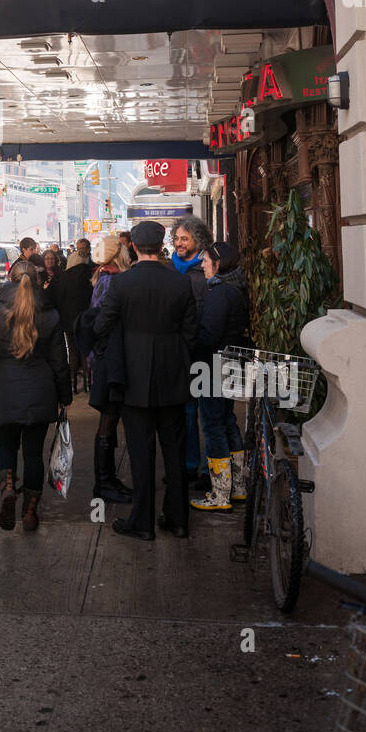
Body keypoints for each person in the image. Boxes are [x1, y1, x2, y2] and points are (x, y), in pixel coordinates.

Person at [94, 221, 196, 541]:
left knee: (141, 452)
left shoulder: (121, 285)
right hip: (173, 378)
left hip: (133, 379)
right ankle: (178, 519)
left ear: (134, 247)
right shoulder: (180, 283)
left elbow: (101, 326)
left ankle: (142, 521)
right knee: (175, 452)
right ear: (162, 243)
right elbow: (192, 334)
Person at [0, 258, 71, 533]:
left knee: (6, 447)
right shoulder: (50, 314)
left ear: (10, 279)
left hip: (7, 389)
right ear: (37, 282)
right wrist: (65, 397)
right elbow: (60, 362)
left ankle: (7, 488)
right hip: (41, 390)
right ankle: (29, 513)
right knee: (33, 455)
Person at [190, 241, 251, 513]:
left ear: (218, 264)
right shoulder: (236, 289)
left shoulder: (218, 294)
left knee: (214, 427)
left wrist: (188, 339)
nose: (201, 264)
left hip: (211, 367)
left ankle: (219, 493)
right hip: (230, 366)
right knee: (228, 422)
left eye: (205, 260)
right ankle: (237, 488)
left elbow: (208, 336)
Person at [75, 237, 133, 504]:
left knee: (109, 419)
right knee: (108, 419)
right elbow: (102, 321)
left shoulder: (103, 277)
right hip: (109, 357)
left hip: (104, 357)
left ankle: (107, 479)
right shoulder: (111, 280)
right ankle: (104, 482)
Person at [171, 215, 215, 489]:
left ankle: (211, 470)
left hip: (204, 353)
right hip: (183, 355)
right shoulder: (174, 269)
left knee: (210, 416)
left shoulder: (206, 270)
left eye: (184, 239)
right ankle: (188, 466)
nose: (179, 243)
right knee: (186, 414)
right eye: (176, 238)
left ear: (197, 240)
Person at [51, 244, 94, 392]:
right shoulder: (90, 275)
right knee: (85, 351)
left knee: (73, 352)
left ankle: (73, 383)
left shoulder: (63, 277)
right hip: (86, 319)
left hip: (68, 320)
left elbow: (59, 299)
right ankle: (89, 384)